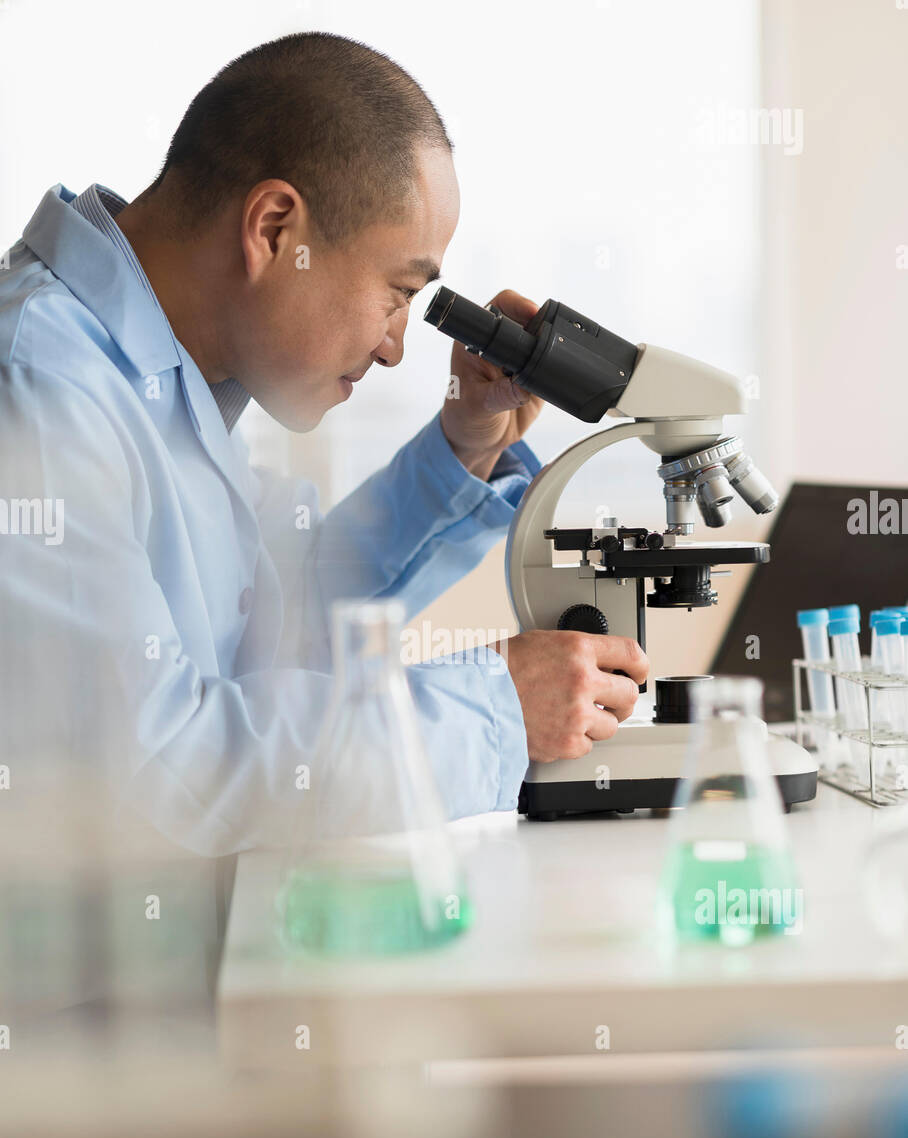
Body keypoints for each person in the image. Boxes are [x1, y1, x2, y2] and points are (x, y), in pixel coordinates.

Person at [0, 31, 647, 879]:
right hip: (86, 1001)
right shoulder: (42, 380)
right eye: (398, 293)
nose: (395, 349)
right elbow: (159, 769)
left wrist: (463, 444)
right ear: (273, 229)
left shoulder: (163, 374)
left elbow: (275, 608)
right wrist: (493, 708)